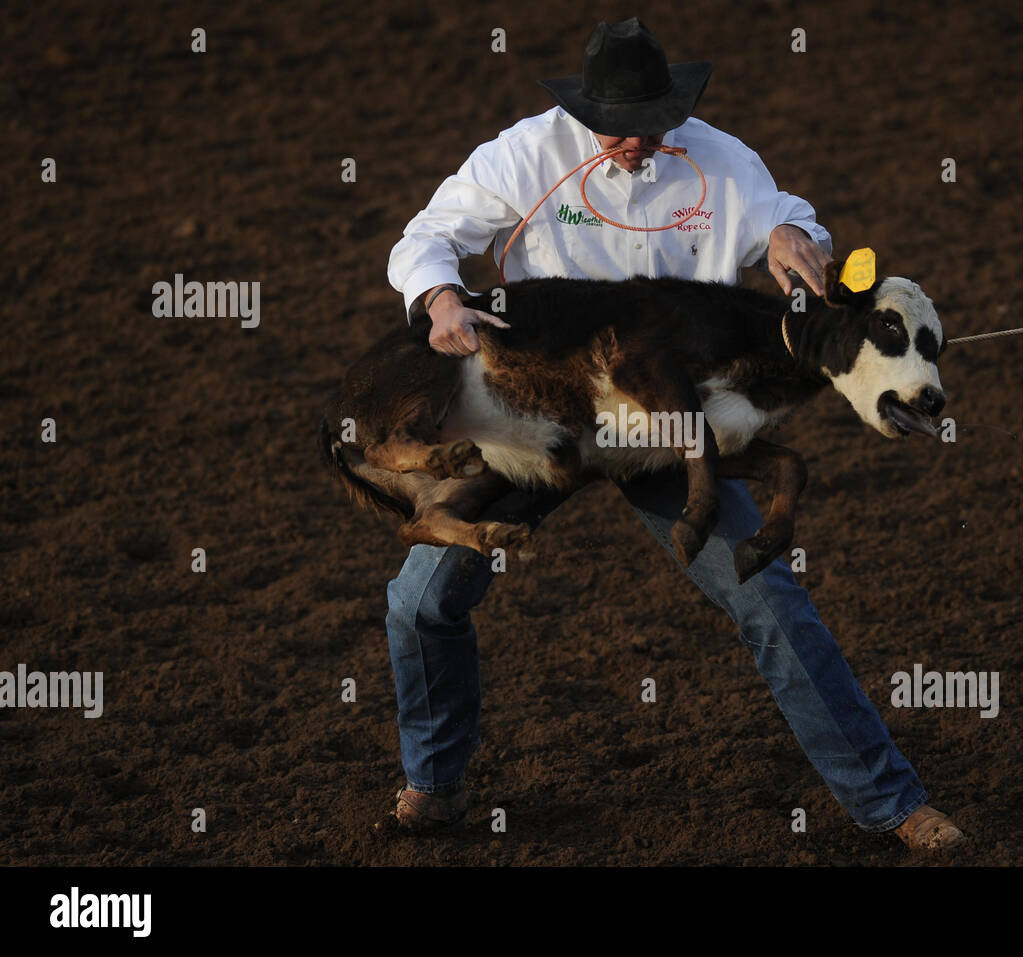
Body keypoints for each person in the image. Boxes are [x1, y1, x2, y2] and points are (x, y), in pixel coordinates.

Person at [384, 17, 964, 851]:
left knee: (767, 596)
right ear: (583, 112)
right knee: (420, 600)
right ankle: (433, 783)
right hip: (539, 408)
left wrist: (793, 237)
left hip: (669, 421)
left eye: (649, 125)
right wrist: (440, 296)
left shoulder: (717, 160)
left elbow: (785, 219)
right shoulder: (526, 155)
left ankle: (890, 801)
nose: (632, 143)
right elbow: (424, 238)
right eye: (615, 127)